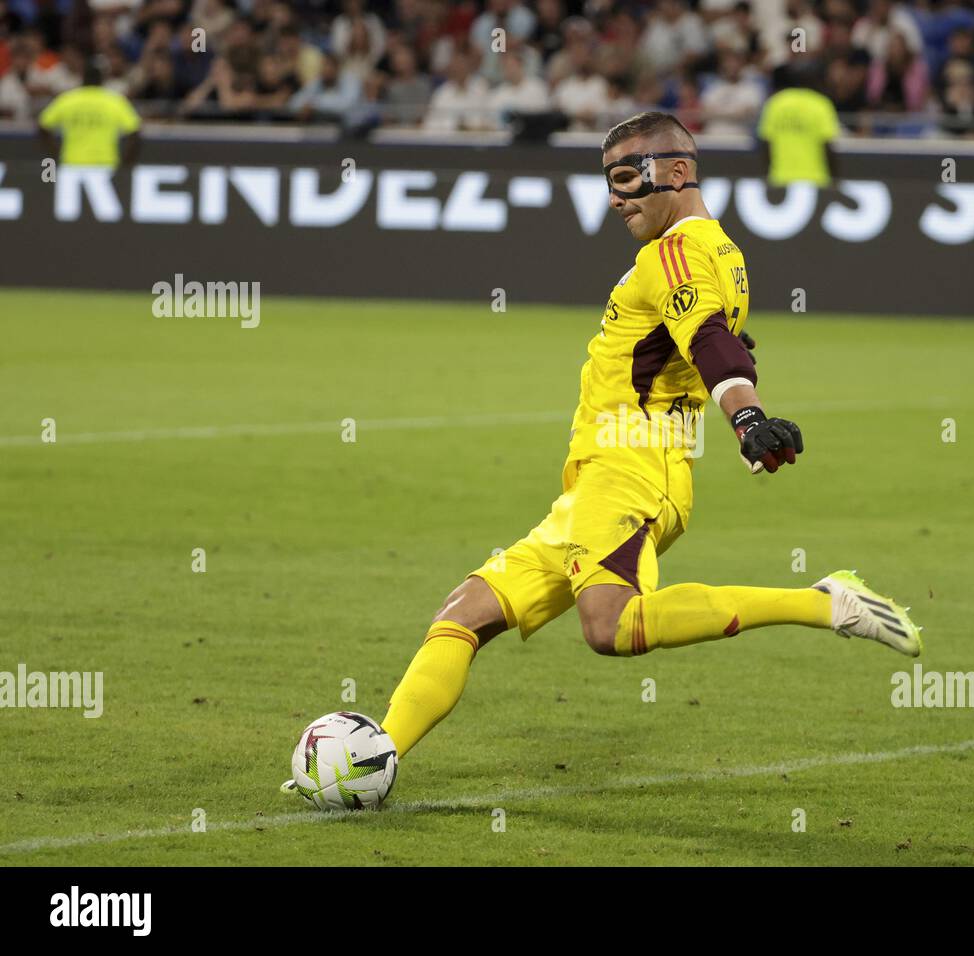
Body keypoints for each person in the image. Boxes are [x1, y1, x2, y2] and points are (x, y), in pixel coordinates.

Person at [286, 111, 923, 773]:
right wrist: (737, 400)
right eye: (609, 181)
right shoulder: (721, 253)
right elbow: (713, 342)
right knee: (464, 614)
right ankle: (377, 755)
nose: (616, 198)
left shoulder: (674, 251)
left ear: (678, 173)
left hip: (632, 471)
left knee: (610, 627)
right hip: (596, 482)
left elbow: (711, 342)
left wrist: (746, 417)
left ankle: (825, 602)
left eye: (629, 178)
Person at [37, 62, 141, 170]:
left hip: (72, 162)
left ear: (82, 77)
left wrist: (55, 154)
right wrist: (125, 163)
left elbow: (43, 125)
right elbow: (134, 131)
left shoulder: (68, 100)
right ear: (102, 78)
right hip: (105, 164)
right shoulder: (114, 101)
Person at [757, 66, 841, 186]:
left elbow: (765, 144)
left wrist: (766, 175)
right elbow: (827, 146)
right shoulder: (821, 104)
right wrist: (835, 178)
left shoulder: (776, 103)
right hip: (815, 179)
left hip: (780, 178)